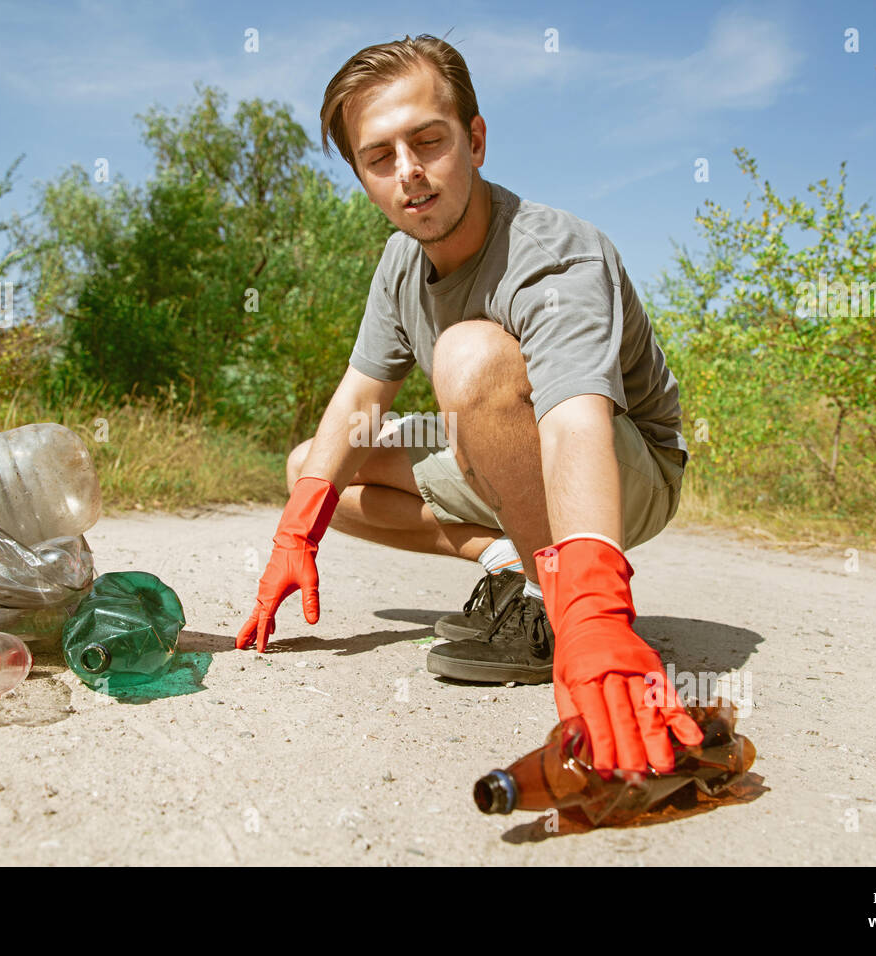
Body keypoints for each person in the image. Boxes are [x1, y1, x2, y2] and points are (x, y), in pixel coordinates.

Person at [236, 33, 703, 778]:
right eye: (379, 157)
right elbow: (360, 398)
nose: (409, 174)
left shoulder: (553, 255)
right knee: (311, 469)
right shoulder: (400, 262)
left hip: (629, 468)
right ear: (362, 175)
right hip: (507, 453)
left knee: (469, 355)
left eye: (429, 142)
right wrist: (298, 535)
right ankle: (510, 560)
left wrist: (594, 613)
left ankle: (559, 608)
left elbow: (575, 420)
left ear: (475, 139)